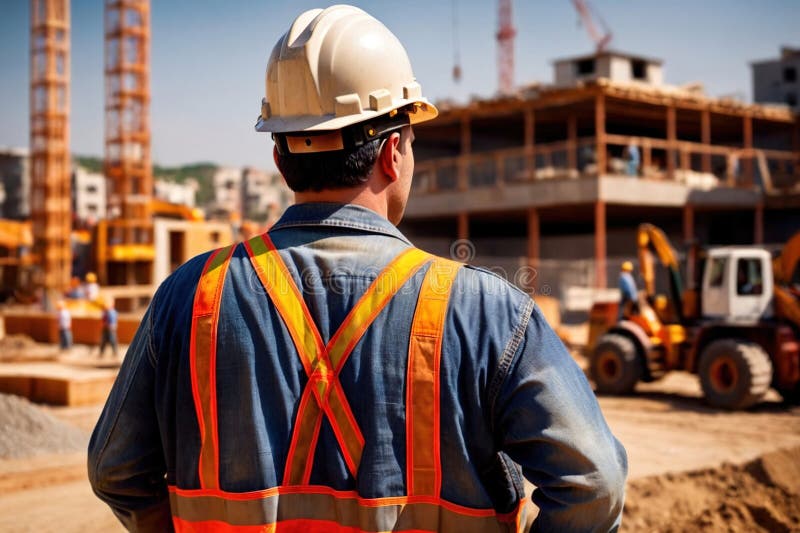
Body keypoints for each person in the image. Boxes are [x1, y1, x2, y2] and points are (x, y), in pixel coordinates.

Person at [88, 5, 627, 532]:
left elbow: (116, 469)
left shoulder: (190, 298)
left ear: (279, 159)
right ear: (393, 152)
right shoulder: (486, 313)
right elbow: (593, 485)